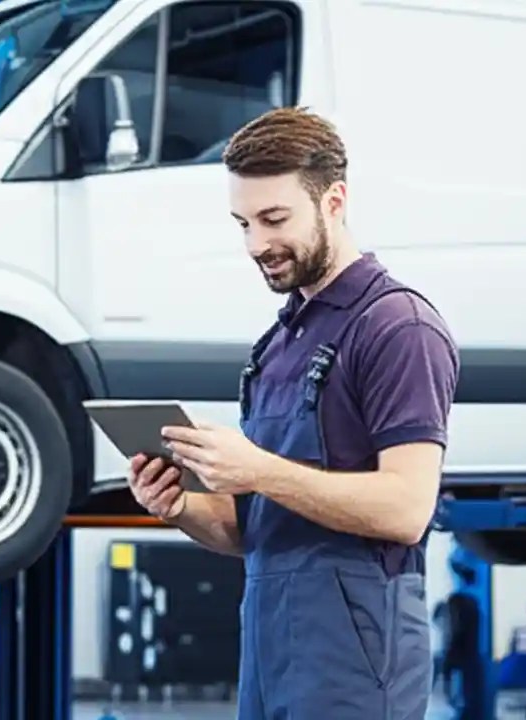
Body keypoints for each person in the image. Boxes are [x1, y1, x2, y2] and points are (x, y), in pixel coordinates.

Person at [127, 107, 460, 719]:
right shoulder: (276, 348)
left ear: (334, 200)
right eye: (243, 223)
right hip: (270, 650)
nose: (257, 244)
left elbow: (409, 509)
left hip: (354, 661)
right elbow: (252, 536)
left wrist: (258, 470)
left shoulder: (397, 328)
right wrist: (180, 506)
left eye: (274, 219)